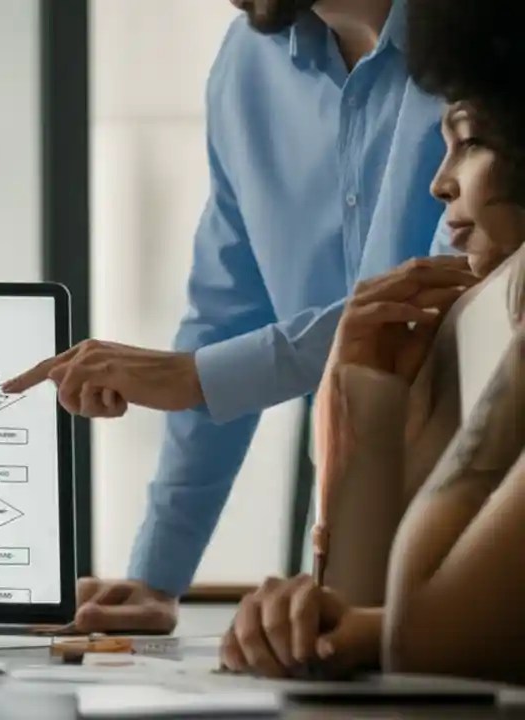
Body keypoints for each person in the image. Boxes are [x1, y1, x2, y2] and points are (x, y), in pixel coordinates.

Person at [3, 0, 451, 633]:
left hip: (482, 503)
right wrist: (156, 577)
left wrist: (198, 375)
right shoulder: (248, 63)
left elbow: (446, 299)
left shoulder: (489, 45)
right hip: (351, 520)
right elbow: (225, 312)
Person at [220, 0, 525, 682]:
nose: (439, 183)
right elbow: (362, 615)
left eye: (470, 141)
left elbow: (421, 637)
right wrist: (358, 394)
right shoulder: (472, 331)